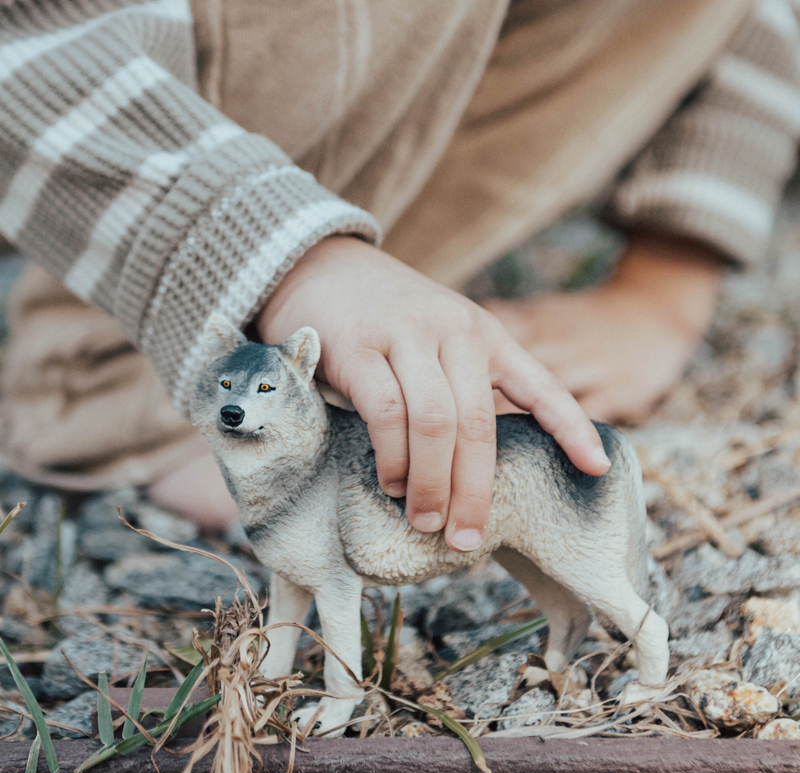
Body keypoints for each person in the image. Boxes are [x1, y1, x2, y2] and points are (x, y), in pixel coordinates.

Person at [0, 0, 797, 552]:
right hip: (132, 180)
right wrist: (294, 262)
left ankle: (371, 285)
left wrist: (667, 281)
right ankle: (117, 372)